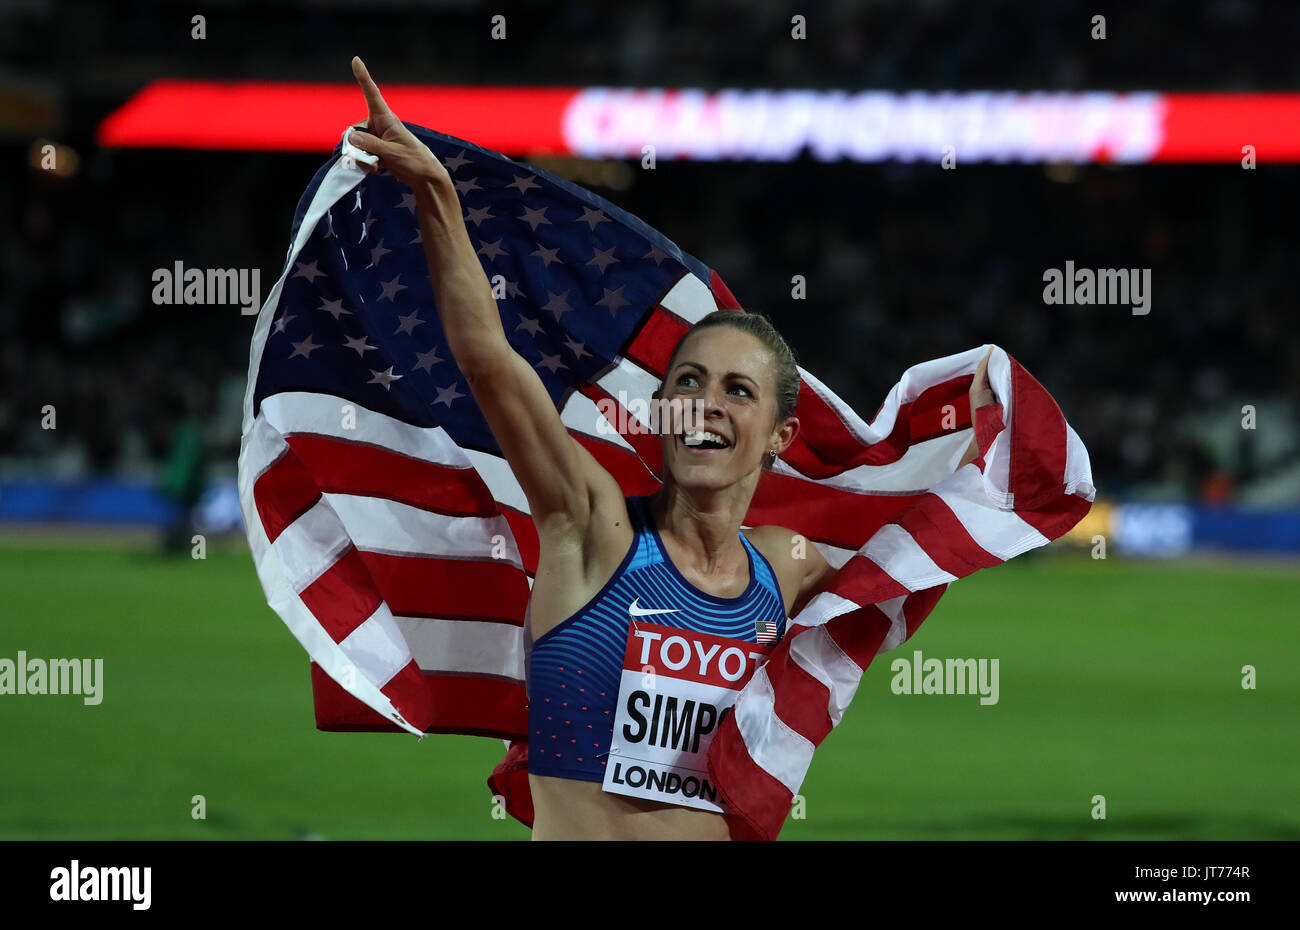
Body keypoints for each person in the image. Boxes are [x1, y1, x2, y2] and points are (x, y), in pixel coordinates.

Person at [346, 57, 996, 839]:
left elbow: (909, 550)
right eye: (688, 381)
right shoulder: (591, 529)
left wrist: (979, 434)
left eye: (737, 391)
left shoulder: (786, 569)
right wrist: (438, 194)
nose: (705, 405)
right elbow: (488, 357)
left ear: (780, 438)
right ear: (660, 410)